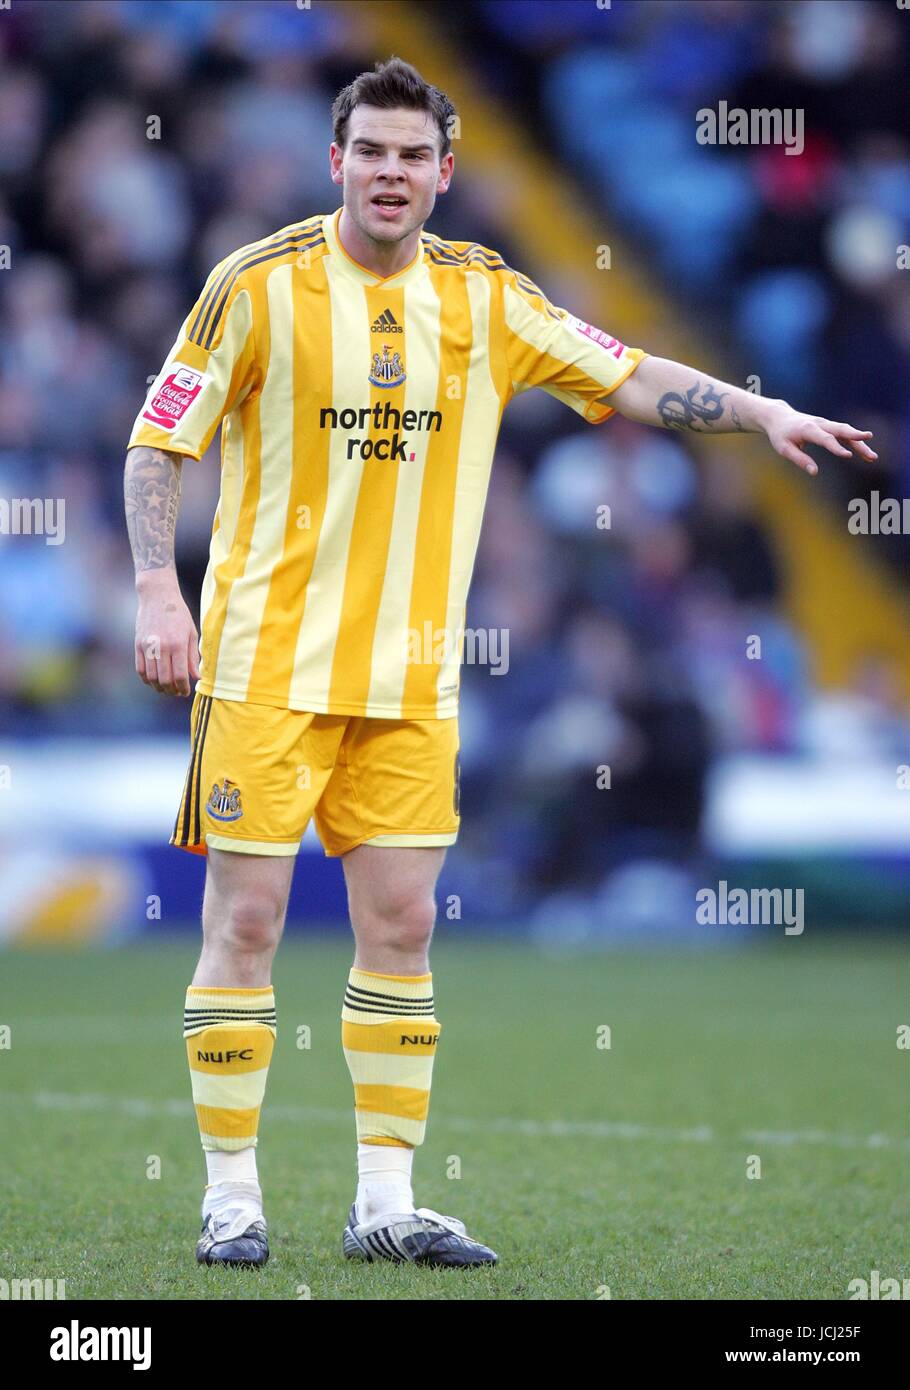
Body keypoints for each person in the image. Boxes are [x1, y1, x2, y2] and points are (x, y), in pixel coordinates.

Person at [123, 56, 876, 1271]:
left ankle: (384, 1203)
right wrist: (159, 585)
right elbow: (159, 442)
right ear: (337, 161)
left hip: (410, 680)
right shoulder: (252, 286)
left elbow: (634, 375)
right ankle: (229, 1198)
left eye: (413, 155)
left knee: (406, 925)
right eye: (370, 150)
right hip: (264, 664)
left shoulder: (484, 297)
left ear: (444, 173)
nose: (390, 172)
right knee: (249, 922)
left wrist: (761, 411)